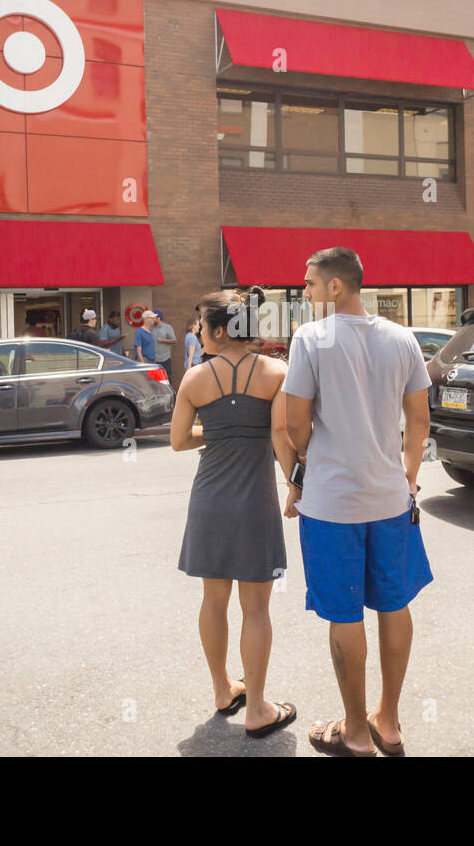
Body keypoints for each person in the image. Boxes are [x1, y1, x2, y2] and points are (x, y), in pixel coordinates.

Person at [283, 246, 433, 757]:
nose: (303, 292)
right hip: (391, 498)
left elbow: (294, 423)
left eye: (308, 283)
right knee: (395, 603)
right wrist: (408, 477)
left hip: (332, 506)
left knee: (344, 614)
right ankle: (387, 723)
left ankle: (353, 731)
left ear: (335, 286)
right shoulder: (402, 337)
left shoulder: (310, 339)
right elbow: (420, 421)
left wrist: (307, 463)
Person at [171, 286, 299, 739]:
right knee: (257, 608)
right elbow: (281, 433)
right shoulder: (276, 372)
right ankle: (258, 708)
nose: (197, 331)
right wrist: (294, 486)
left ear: (221, 330)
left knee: (213, 600)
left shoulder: (194, 378)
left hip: (209, 500)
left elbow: (179, 441)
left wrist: (220, 432)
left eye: (201, 324)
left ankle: (223, 690)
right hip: (255, 502)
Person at [152, 310, 178, 378]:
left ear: (158, 318)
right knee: (156, 379)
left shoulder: (167, 327)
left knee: (167, 379)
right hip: (154, 359)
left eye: (153, 317)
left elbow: (174, 340)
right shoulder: (151, 328)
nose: (152, 319)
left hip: (165, 359)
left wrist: (163, 340)